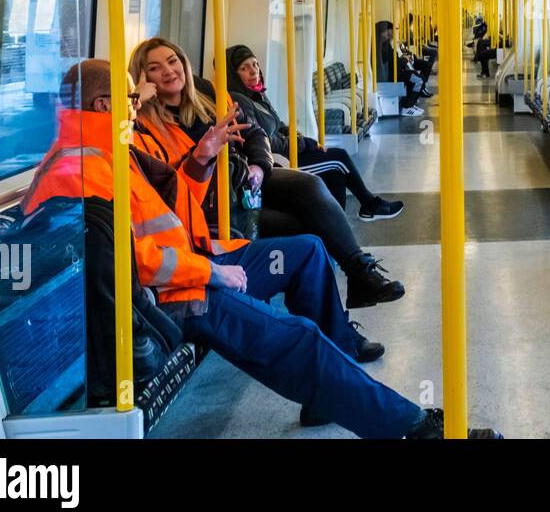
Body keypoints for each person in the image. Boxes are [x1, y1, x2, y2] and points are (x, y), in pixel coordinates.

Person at [25, 60, 499, 438]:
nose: (136, 105)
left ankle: (330, 388)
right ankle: (409, 430)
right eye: (130, 98)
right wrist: (212, 273)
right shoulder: (85, 171)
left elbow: (168, 217)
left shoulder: (103, 150)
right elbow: (132, 263)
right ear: (104, 104)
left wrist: (204, 161)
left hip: (193, 264)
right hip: (171, 297)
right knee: (298, 339)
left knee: (308, 251)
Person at [129, 37, 403, 313]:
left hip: (242, 181)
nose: (168, 71)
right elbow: (153, 173)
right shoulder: (141, 126)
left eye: (172, 61)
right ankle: (336, 325)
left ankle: (360, 271)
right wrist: (135, 100)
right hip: (212, 208)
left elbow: (254, 133)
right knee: (308, 233)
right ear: (143, 77)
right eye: (154, 68)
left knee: (310, 185)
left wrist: (259, 166)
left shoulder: (209, 99)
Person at [224, 44, 402, 221]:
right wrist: (303, 144)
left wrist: (299, 137)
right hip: (277, 161)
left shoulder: (258, 95)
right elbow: (264, 141)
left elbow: (278, 125)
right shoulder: (239, 101)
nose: (253, 71)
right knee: (338, 157)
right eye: (244, 68)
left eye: (255, 65)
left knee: (335, 172)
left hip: (287, 150)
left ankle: (337, 226)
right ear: (233, 74)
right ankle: (368, 203)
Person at [376, 21, 423, 116]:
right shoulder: (382, 46)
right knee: (418, 80)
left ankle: (410, 103)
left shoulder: (385, 44)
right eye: (387, 31)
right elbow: (393, 62)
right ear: (381, 32)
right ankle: (407, 107)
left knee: (415, 76)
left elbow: (393, 60)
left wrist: (402, 60)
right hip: (389, 76)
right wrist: (404, 60)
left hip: (392, 72)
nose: (390, 34)